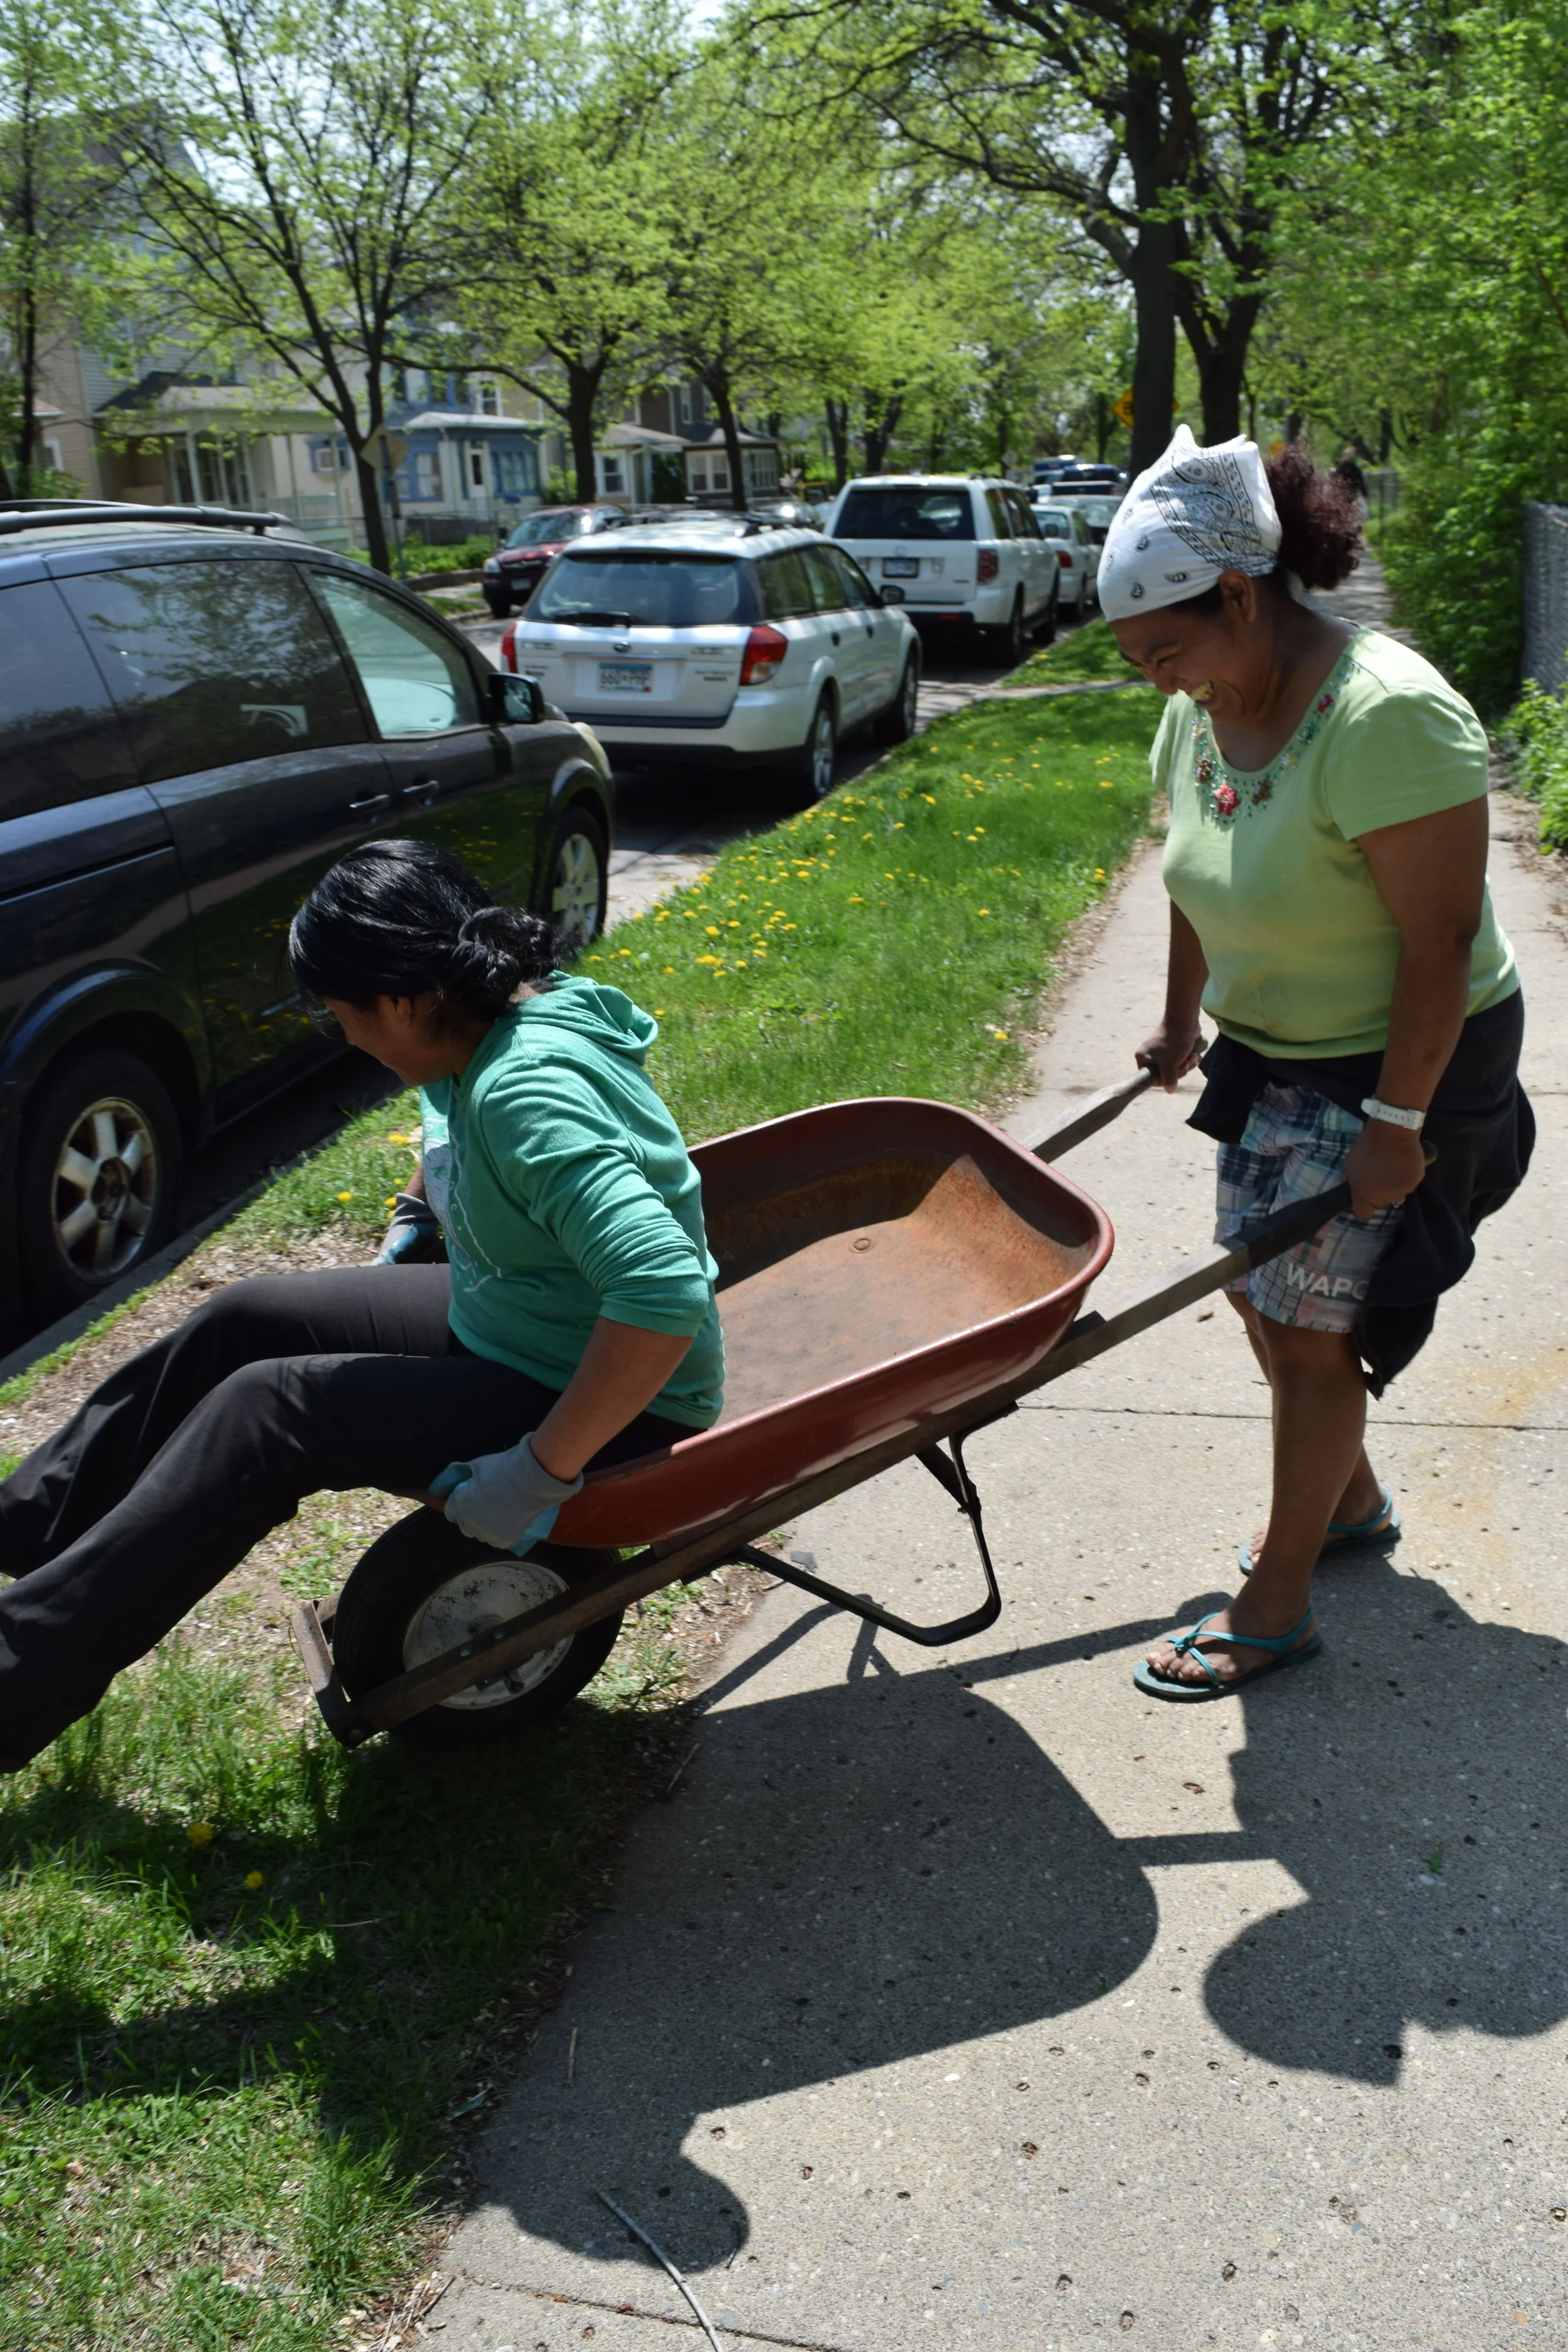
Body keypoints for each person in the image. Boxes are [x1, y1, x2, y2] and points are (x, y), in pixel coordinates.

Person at [0, 840, 724, 1767]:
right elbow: (455, 1122)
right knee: (247, 1318)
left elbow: (661, 1289)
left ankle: (17, 1676)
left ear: (401, 1001)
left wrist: (540, 1472)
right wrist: (423, 1210)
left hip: (611, 1393)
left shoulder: (527, 1088)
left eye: (342, 1011)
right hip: (519, 1319)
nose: (343, 1035)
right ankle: (31, 1525)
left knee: (271, 1413)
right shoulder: (489, 1009)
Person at [1096, 426, 1532, 1701]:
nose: (1160, 683)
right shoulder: (1200, 710)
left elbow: (1437, 946)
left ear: (1238, 596)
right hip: (1273, 1046)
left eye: (1165, 652)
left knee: (1304, 1328)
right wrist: (1181, 1018)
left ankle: (1275, 1605)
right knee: (1260, 1292)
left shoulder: (1387, 716)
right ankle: (1345, 1502)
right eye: (1139, 663)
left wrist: (1398, 1121)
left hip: (1400, 1056)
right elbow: (1195, 867)